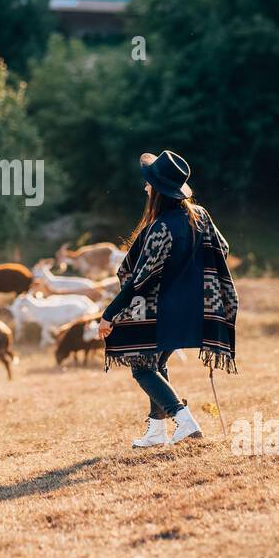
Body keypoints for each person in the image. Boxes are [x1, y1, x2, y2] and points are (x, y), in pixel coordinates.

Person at [98, 150, 238, 448]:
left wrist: (109, 314)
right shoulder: (200, 215)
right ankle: (156, 431)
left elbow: (141, 279)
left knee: (142, 367)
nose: (145, 188)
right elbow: (221, 249)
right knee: (156, 363)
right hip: (194, 307)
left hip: (162, 310)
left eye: (149, 183)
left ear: (159, 190)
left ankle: (184, 420)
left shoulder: (162, 227)